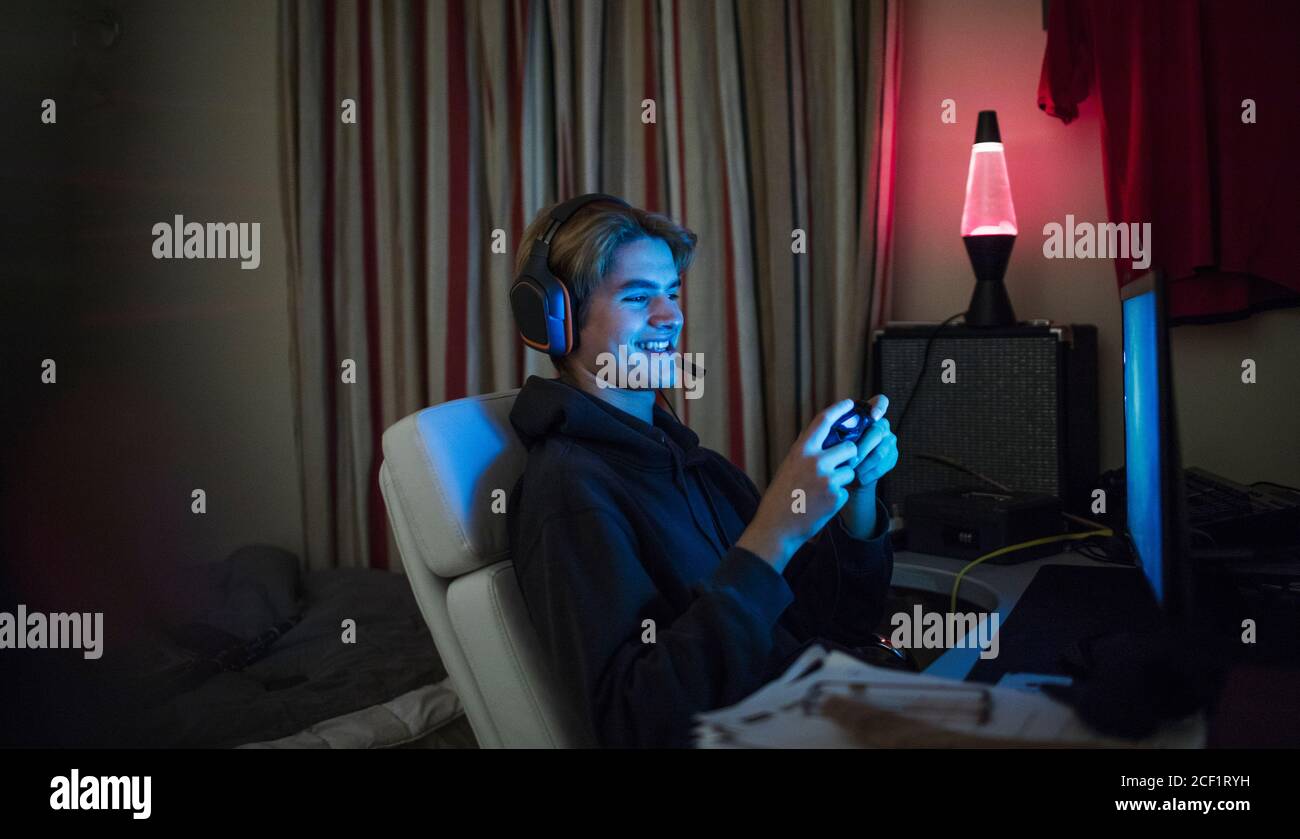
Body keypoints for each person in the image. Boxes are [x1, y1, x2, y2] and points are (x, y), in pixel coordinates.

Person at [506, 196, 899, 747]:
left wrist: (858, 495)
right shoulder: (570, 490)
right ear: (554, 317)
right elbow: (635, 720)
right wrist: (774, 531)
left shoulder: (698, 468)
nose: (670, 316)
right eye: (638, 296)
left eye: (671, 292)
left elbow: (833, 625)